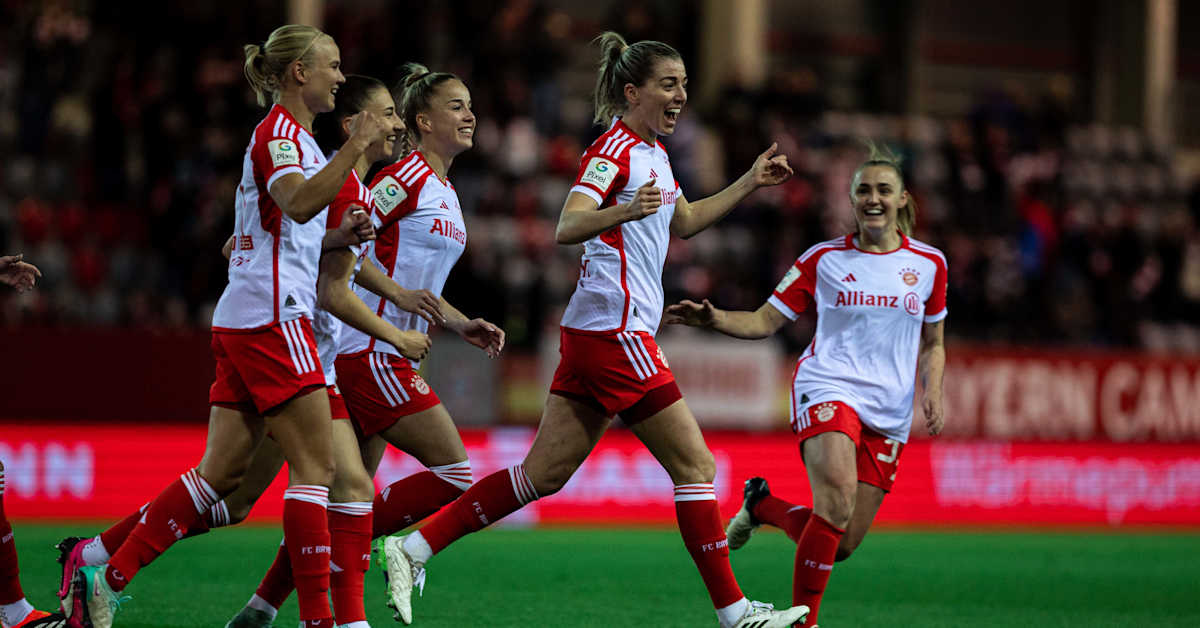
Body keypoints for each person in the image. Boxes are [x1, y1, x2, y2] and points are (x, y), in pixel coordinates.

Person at [377, 32, 807, 628]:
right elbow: (568, 223)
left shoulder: (655, 153)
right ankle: (736, 616)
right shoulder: (615, 149)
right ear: (632, 92)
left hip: (596, 331)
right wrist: (622, 211)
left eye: (683, 83)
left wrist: (750, 181)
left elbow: (682, 221)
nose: (681, 94)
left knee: (542, 475)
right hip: (615, 330)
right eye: (668, 83)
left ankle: (413, 547)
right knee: (698, 470)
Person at [61, 25, 389, 628]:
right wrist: (355, 148)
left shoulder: (304, 145)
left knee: (220, 478)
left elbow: (277, 229)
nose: (341, 79)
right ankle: (322, 620)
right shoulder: (279, 137)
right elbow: (293, 203)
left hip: (249, 316)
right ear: (299, 73)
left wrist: (343, 236)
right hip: (275, 318)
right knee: (319, 471)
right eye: (333, 67)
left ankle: (101, 574)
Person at [664, 144, 948, 627]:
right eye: (863, 190)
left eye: (884, 189)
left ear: (903, 199)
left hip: (891, 410)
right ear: (852, 199)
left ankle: (762, 505)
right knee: (834, 503)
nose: (872, 198)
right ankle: (805, 623)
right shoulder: (824, 259)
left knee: (842, 542)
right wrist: (713, 319)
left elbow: (934, 342)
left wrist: (933, 391)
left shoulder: (929, 265)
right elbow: (762, 321)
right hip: (828, 386)